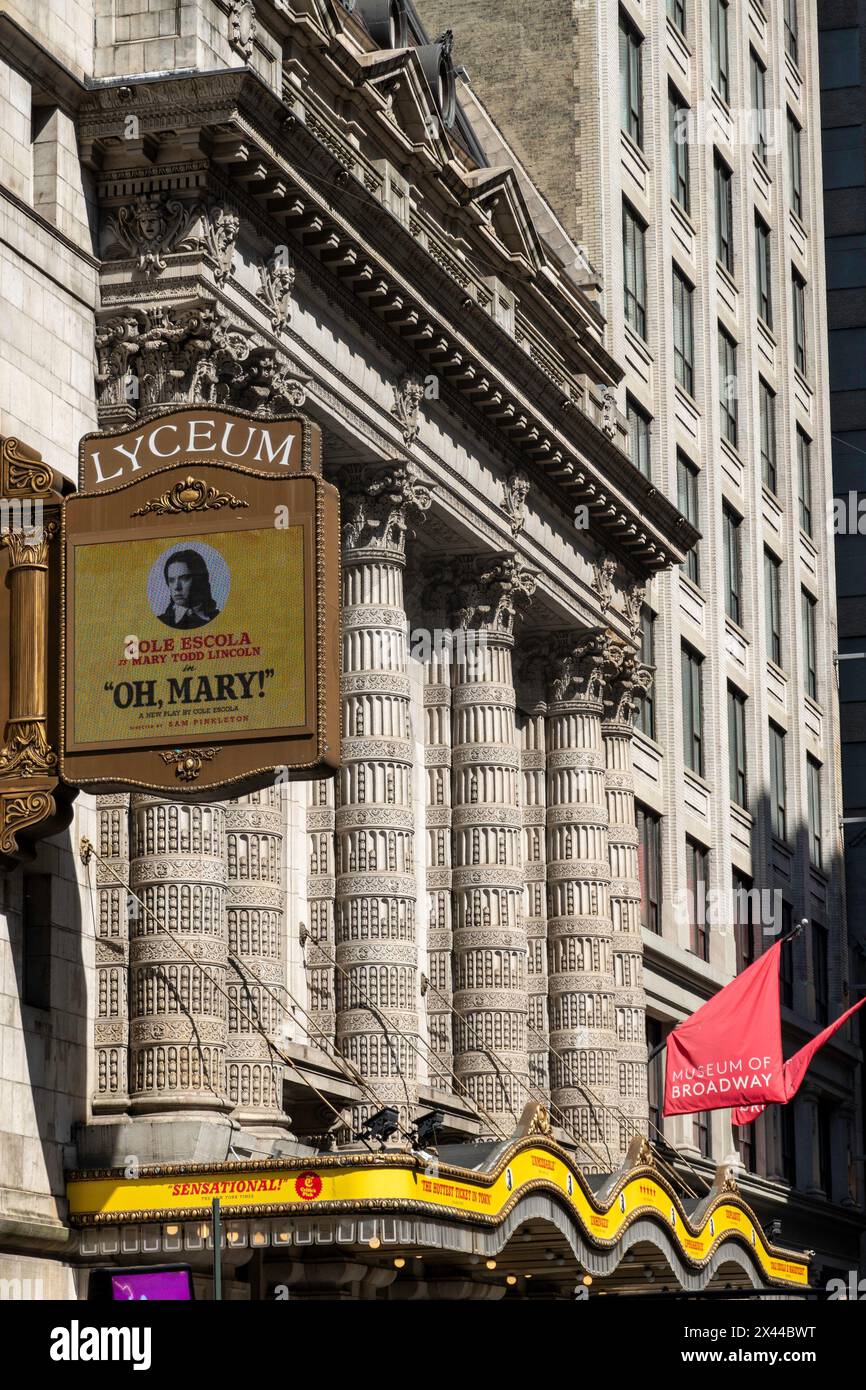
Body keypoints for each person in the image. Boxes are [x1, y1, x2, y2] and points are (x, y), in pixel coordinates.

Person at [157, 549, 220, 629]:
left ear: (199, 580)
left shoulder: (222, 619)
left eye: (184, 578)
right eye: (171, 580)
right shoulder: (159, 623)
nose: (177, 587)